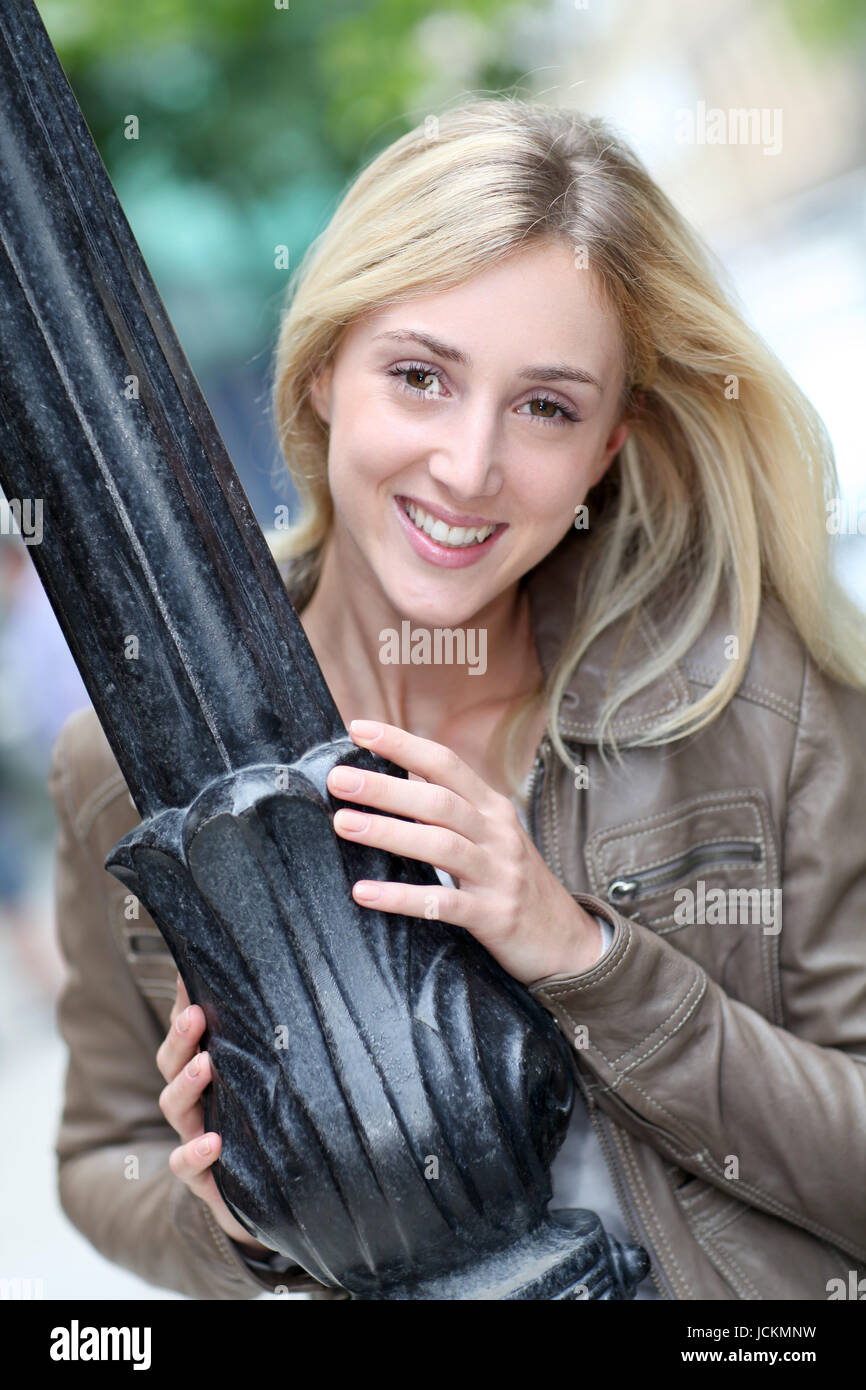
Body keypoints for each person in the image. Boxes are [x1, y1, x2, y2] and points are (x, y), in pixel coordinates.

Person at [49, 97, 866, 1301]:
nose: (467, 465)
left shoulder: (755, 694)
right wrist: (235, 1219)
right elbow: (98, 1157)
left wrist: (585, 955)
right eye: (420, 376)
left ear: (606, 446)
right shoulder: (127, 756)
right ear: (325, 367)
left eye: (545, 406)